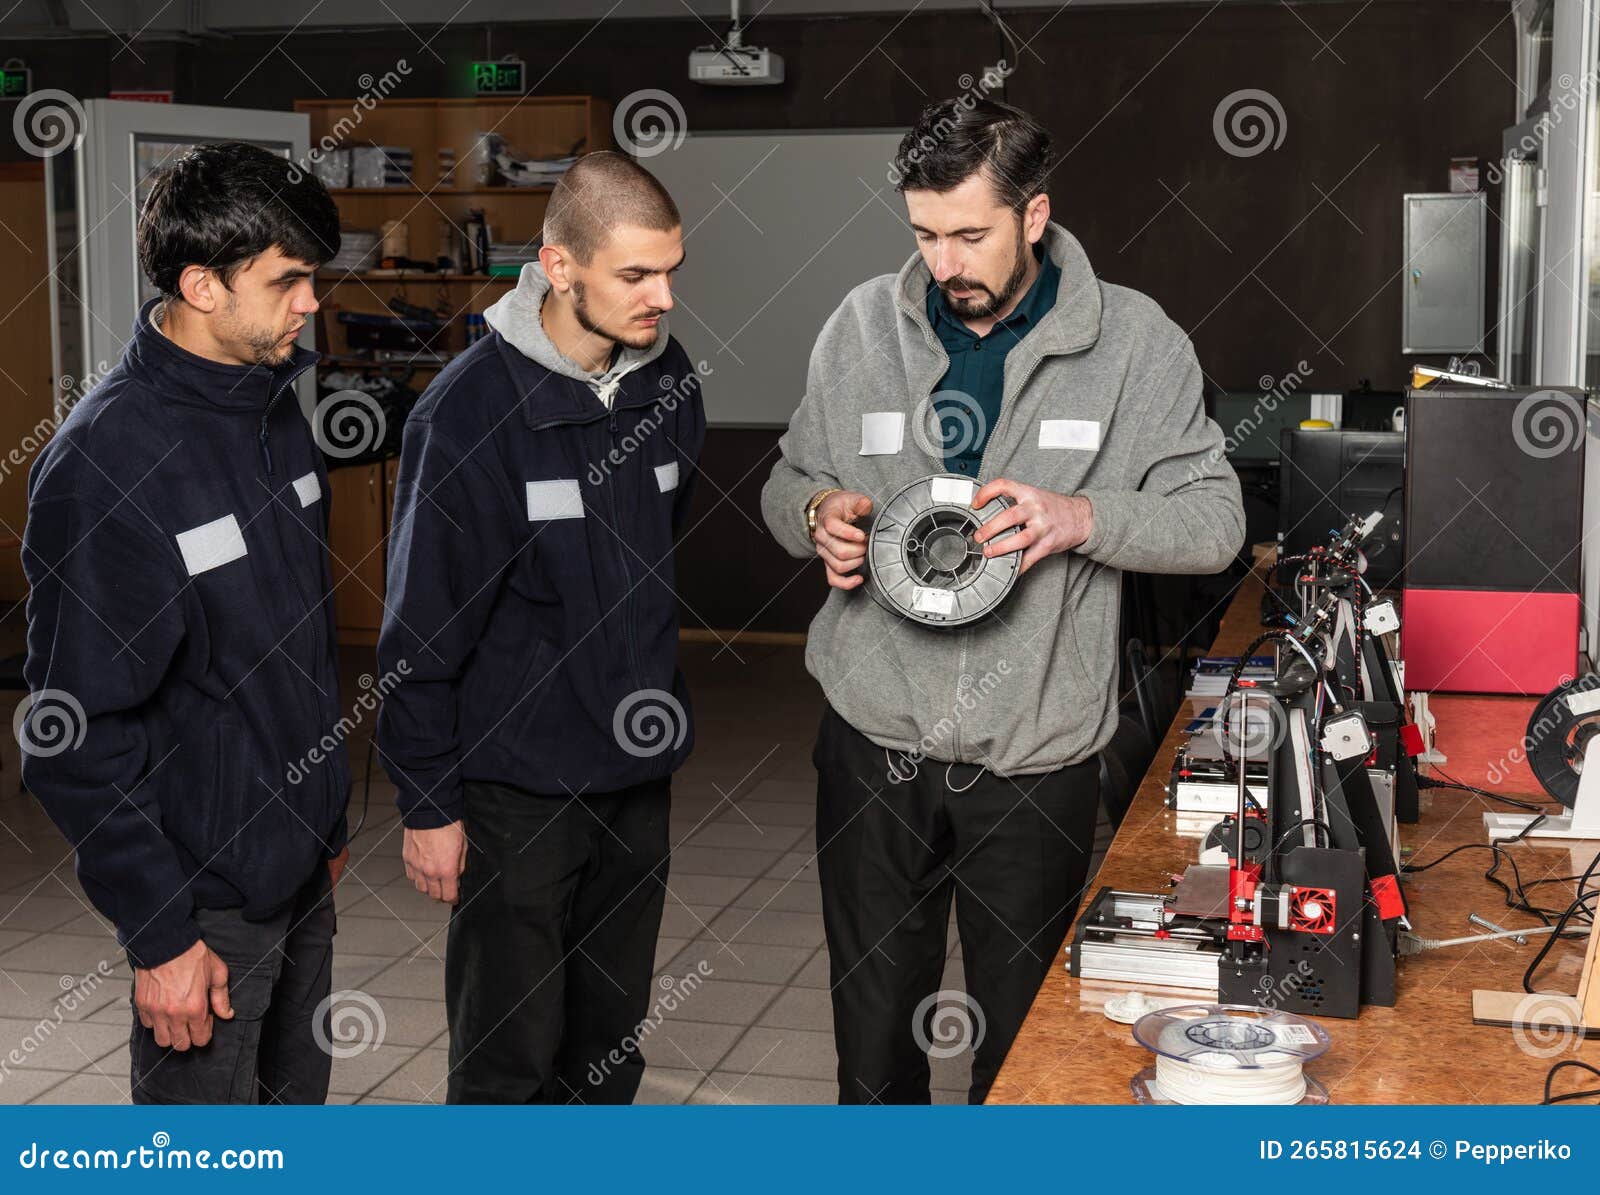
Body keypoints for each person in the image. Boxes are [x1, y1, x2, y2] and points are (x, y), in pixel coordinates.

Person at [760, 98, 1245, 1104]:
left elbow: (1215, 522)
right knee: (870, 1040)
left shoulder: (1135, 342)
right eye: (925, 236)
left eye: (969, 233)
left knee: (1022, 1049)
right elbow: (784, 476)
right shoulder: (858, 327)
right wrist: (816, 512)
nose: (945, 262)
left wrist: (1080, 518)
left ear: (1034, 216)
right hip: (873, 738)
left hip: (1033, 755)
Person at [22, 142, 350, 1104]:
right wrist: (159, 931)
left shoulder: (274, 407)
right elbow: (71, 735)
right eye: (288, 280)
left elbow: (298, 640)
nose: (311, 302)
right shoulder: (107, 461)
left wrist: (324, 814)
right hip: (201, 895)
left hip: (299, 868)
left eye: (314, 276)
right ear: (202, 284)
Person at [376, 151, 705, 1104]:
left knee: (608, 1049)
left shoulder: (668, 382)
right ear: (560, 267)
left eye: (672, 270)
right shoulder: (469, 412)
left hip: (637, 780)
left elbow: (647, 567)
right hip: (518, 791)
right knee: (509, 1059)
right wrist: (428, 804)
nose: (665, 298)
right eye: (637, 275)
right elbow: (420, 631)